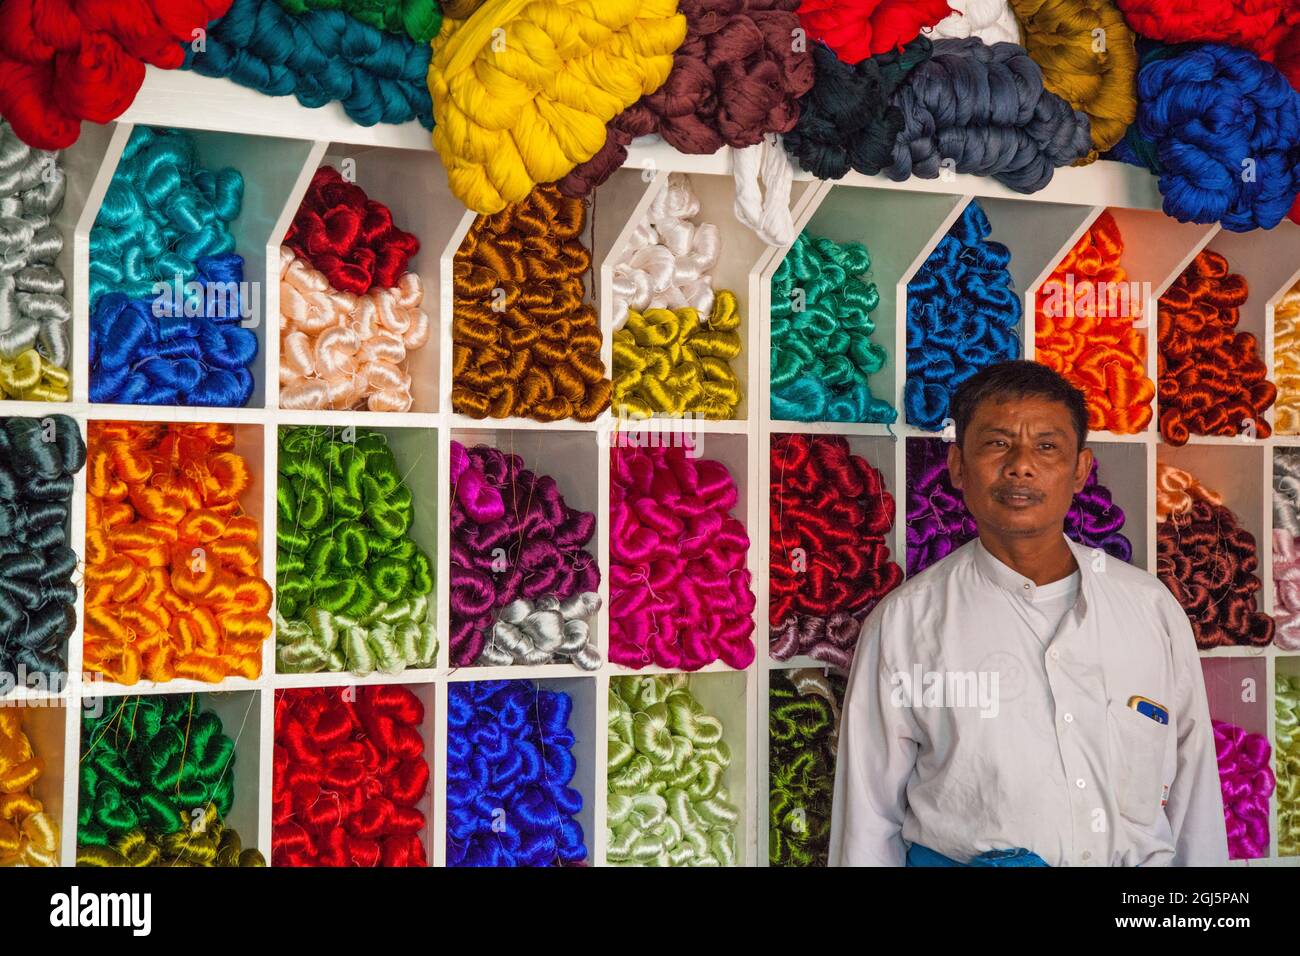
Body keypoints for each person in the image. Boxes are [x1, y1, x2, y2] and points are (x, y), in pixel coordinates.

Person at [828, 360, 1229, 866]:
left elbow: (1195, 801)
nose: (1021, 465)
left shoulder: (1150, 610)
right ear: (957, 466)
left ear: (1081, 470)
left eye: (1046, 446)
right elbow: (868, 823)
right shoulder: (906, 624)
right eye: (997, 443)